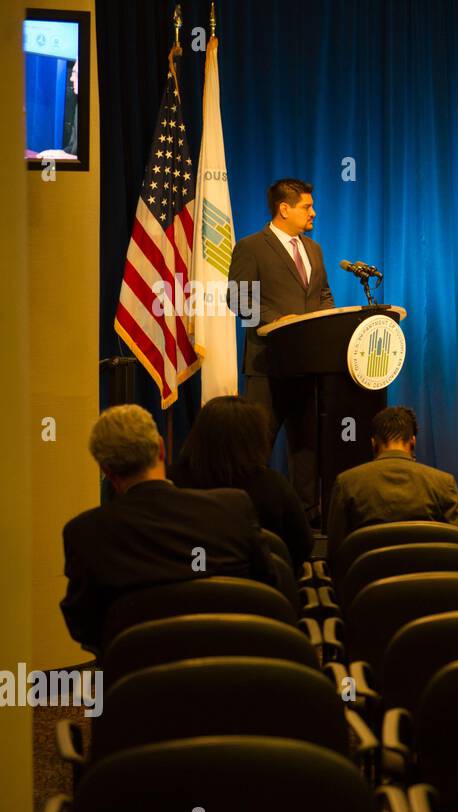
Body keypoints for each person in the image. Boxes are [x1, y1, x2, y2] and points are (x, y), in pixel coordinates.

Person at [60, 405, 278, 651]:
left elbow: (84, 627)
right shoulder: (233, 508)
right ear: (161, 449)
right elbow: (268, 591)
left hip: (137, 679)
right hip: (239, 668)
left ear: (106, 470)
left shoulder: (85, 534)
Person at [228, 178, 335, 519]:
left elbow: (323, 295)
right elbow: (238, 299)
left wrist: (324, 323)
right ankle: (247, 516)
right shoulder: (251, 247)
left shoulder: (314, 249)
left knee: (307, 448)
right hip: (267, 366)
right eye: (307, 206)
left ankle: (306, 515)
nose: (313, 212)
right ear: (284, 208)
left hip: (308, 366)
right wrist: (282, 322)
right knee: (256, 448)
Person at [170, 396, 313, 570]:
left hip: (181, 590)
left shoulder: (171, 483)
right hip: (259, 590)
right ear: (255, 437)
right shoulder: (273, 486)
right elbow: (302, 547)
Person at [326, 406, 458, 564]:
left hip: (365, 584)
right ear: (413, 441)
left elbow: (336, 553)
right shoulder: (443, 483)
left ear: (373, 443)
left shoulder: (346, 483)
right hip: (428, 584)